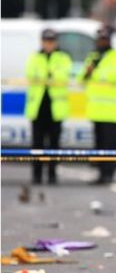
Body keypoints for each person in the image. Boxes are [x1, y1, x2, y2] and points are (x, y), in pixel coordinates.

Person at [79, 25, 116, 185]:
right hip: (95, 110)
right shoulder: (93, 57)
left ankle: (109, 174)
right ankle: (101, 174)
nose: (101, 42)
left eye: (104, 39)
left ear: (109, 40)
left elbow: (115, 76)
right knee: (99, 146)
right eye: (99, 39)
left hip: (111, 111)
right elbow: (82, 80)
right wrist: (89, 72)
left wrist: (95, 72)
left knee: (110, 145)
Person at [25, 28, 73, 185]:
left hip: (55, 109)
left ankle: (52, 175)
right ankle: (36, 175)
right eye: (46, 41)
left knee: (54, 145)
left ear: (56, 42)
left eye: (51, 41)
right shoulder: (35, 57)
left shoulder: (63, 58)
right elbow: (30, 74)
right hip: (38, 108)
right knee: (37, 145)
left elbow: (62, 75)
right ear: (42, 42)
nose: (48, 44)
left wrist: (46, 74)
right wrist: (49, 74)